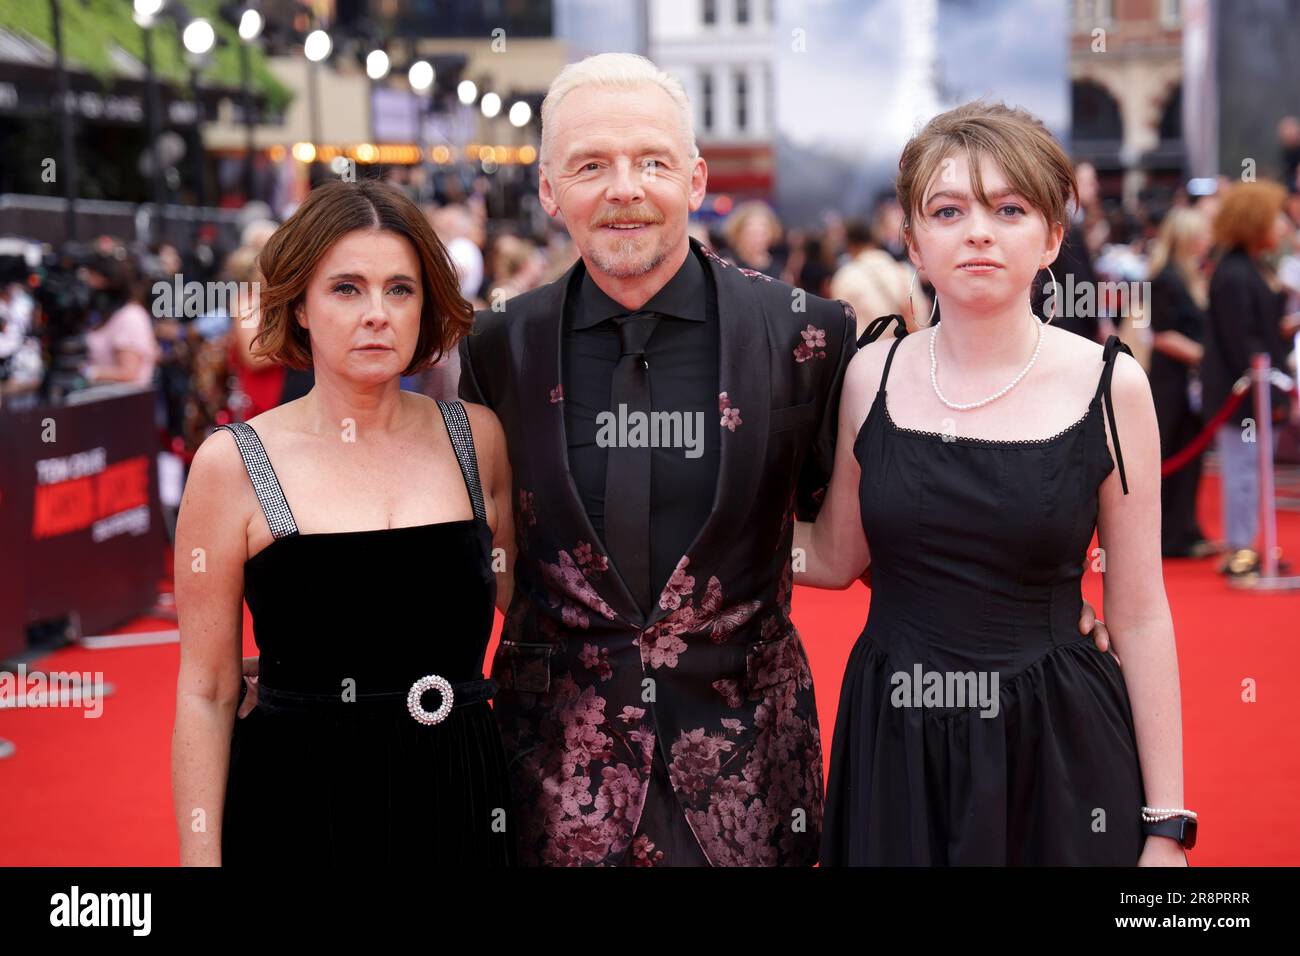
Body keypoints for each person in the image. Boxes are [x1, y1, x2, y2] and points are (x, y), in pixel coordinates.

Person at [455, 55, 1108, 866]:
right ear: (550, 190)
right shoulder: (498, 344)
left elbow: (870, 524)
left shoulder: (809, 334)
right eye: (591, 165)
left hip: (752, 772)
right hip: (555, 772)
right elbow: (491, 550)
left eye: (652, 162)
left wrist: (1009, 593)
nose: (624, 188)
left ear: (694, 179)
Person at [797, 101, 1191, 865]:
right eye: (948, 210)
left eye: (1008, 208)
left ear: (1050, 238)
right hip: (896, 739)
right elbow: (838, 554)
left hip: (1060, 743)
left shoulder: (1112, 387)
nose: (978, 230)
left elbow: (1140, 614)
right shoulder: (868, 376)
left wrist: (1166, 825)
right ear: (912, 242)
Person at [172, 179, 516, 866]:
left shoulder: (476, 439)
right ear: (298, 304)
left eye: (400, 289)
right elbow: (207, 691)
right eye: (346, 289)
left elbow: (534, 607)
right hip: (300, 804)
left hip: (462, 796)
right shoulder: (233, 464)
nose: (377, 315)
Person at [1203, 181, 1293, 578]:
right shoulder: (1236, 273)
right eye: (1275, 217)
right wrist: (1269, 389)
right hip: (1244, 394)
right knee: (1242, 473)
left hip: (1255, 388)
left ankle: (1250, 544)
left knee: (1253, 473)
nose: (1283, 224)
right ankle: (1240, 549)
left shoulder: (1251, 266)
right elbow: (1244, 342)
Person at [1146, 207, 1213, 558]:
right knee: (1169, 454)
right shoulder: (1166, 278)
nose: (1208, 239)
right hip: (1170, 383)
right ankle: (1167, 536)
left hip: (1191, 384)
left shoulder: (1192, 276)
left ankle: (1185, 531)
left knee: (1190, 455)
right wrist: (1205, 356)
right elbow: (1162, 334)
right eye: (1202, 233)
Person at [82, 248, 159, 386]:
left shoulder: (130, 316)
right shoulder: (108, 316)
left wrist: (89, 372)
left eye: (93, 278)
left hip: (125, 403)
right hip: (102, 400)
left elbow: (129, 372)